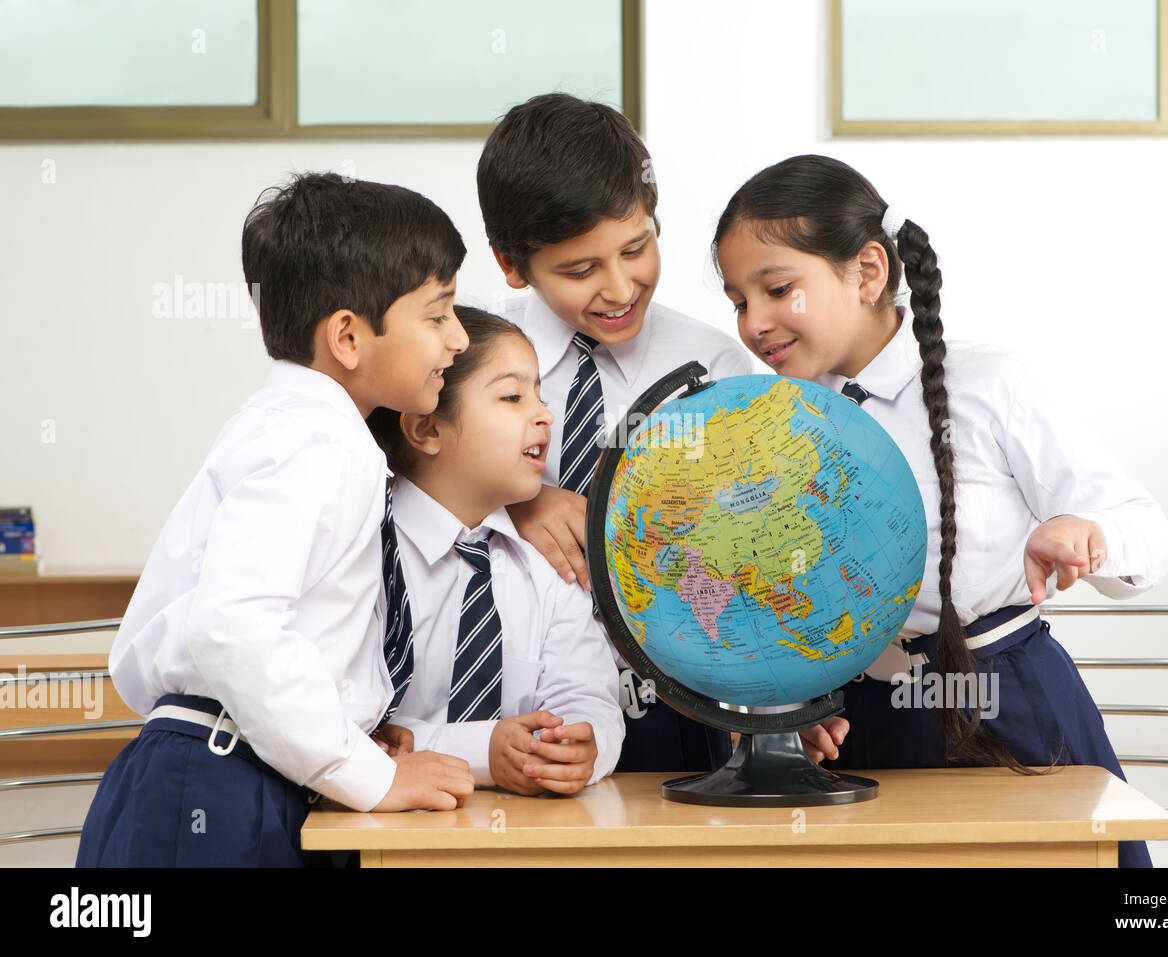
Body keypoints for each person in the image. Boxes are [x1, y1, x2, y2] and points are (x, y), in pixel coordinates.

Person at [712, 154, 1168, 868]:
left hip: (1007, 713)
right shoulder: (774, 425)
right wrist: (788, 717)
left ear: (868, 272)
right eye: (738, 301)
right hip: (860, 734)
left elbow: (1147, 529)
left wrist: (1090, 533)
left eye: (777, 289)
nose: (754, 322)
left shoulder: (990, 384)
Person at [77, 173, 476, 868]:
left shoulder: (304, 429)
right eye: (438, 314)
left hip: (235, 768)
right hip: (215, 788)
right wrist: (367, 773)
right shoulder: (314, 444)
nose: (460, 338)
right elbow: (232, 625)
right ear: (348, 336)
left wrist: (344, 729)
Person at [476, 93, 754, 772]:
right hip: (506, 702)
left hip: (671, 698)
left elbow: (737, 538)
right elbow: (409, 495)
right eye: (580, 270)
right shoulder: (465, 353)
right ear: (513, 265)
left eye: (637, 247)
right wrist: (517, 499)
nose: (621, 285)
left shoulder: (711, 364)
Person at [366, 307, 623, 795]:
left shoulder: (546, 562)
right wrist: (481, 751)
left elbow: (587, 694)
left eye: (541, 396)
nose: (545, 414)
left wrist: (583, 748)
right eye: (512, 396)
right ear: (427, 429)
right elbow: (362, 733)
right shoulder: (368, 550)